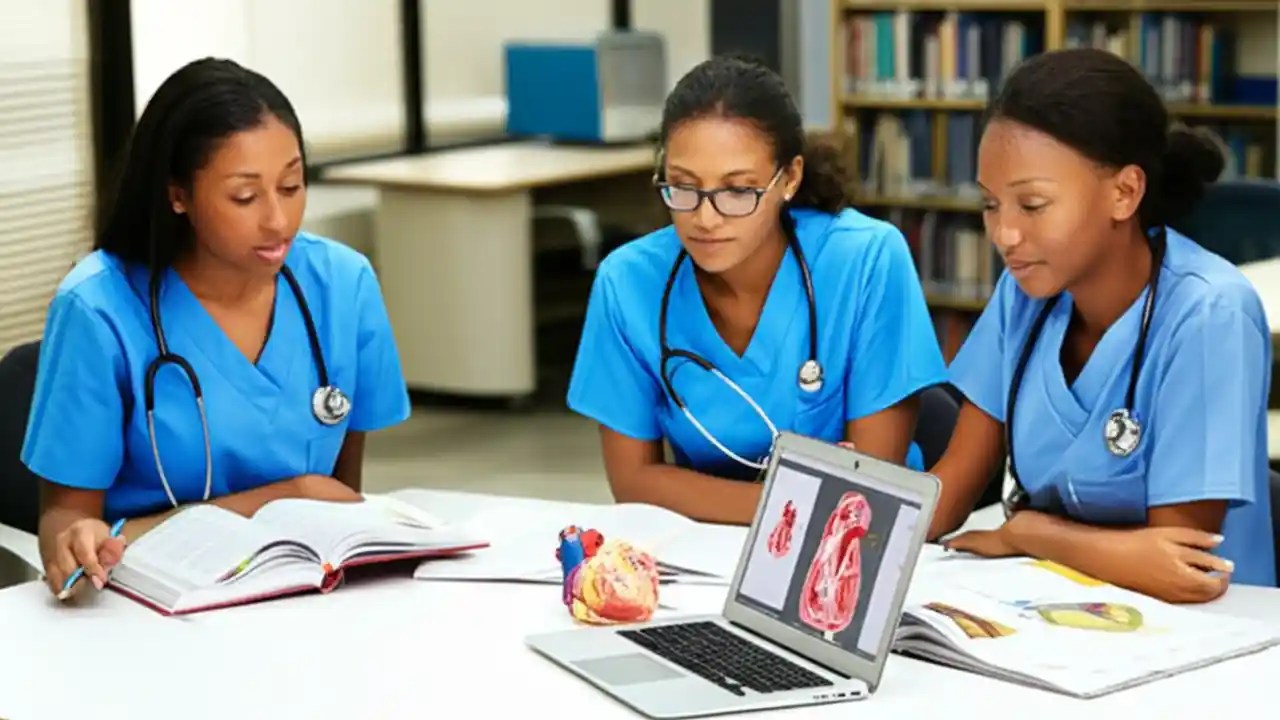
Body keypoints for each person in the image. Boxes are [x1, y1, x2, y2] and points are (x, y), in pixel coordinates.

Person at [23, 58, 411, 598]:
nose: (279, 220)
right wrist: (286, 493)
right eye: (245, 197)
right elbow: (66, 523)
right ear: (177, 194)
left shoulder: (343, 285)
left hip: (303, 602)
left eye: (292, 184)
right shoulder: (98, 309)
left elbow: (340, 506)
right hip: (144, 605)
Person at [931, 48, 1276, 600]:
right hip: (1068, 606)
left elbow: (1183, 569)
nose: (1005, 235)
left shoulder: (1210, 313)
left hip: (1210, 639)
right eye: (991, 205)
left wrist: (1032, 533)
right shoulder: (1022, 294)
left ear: (1124, 193)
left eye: (1033, 205)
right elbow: (947, 494)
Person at [566, 55, 948, 525]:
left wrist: (707, 494)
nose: (705, 218)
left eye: (738, 191)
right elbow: (633, 484)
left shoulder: (864, 259)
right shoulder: (627, 283)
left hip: (851, 545)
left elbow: (867, 490)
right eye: (683, 187)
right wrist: (794, 500)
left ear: (789, 178)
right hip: (707, 548)